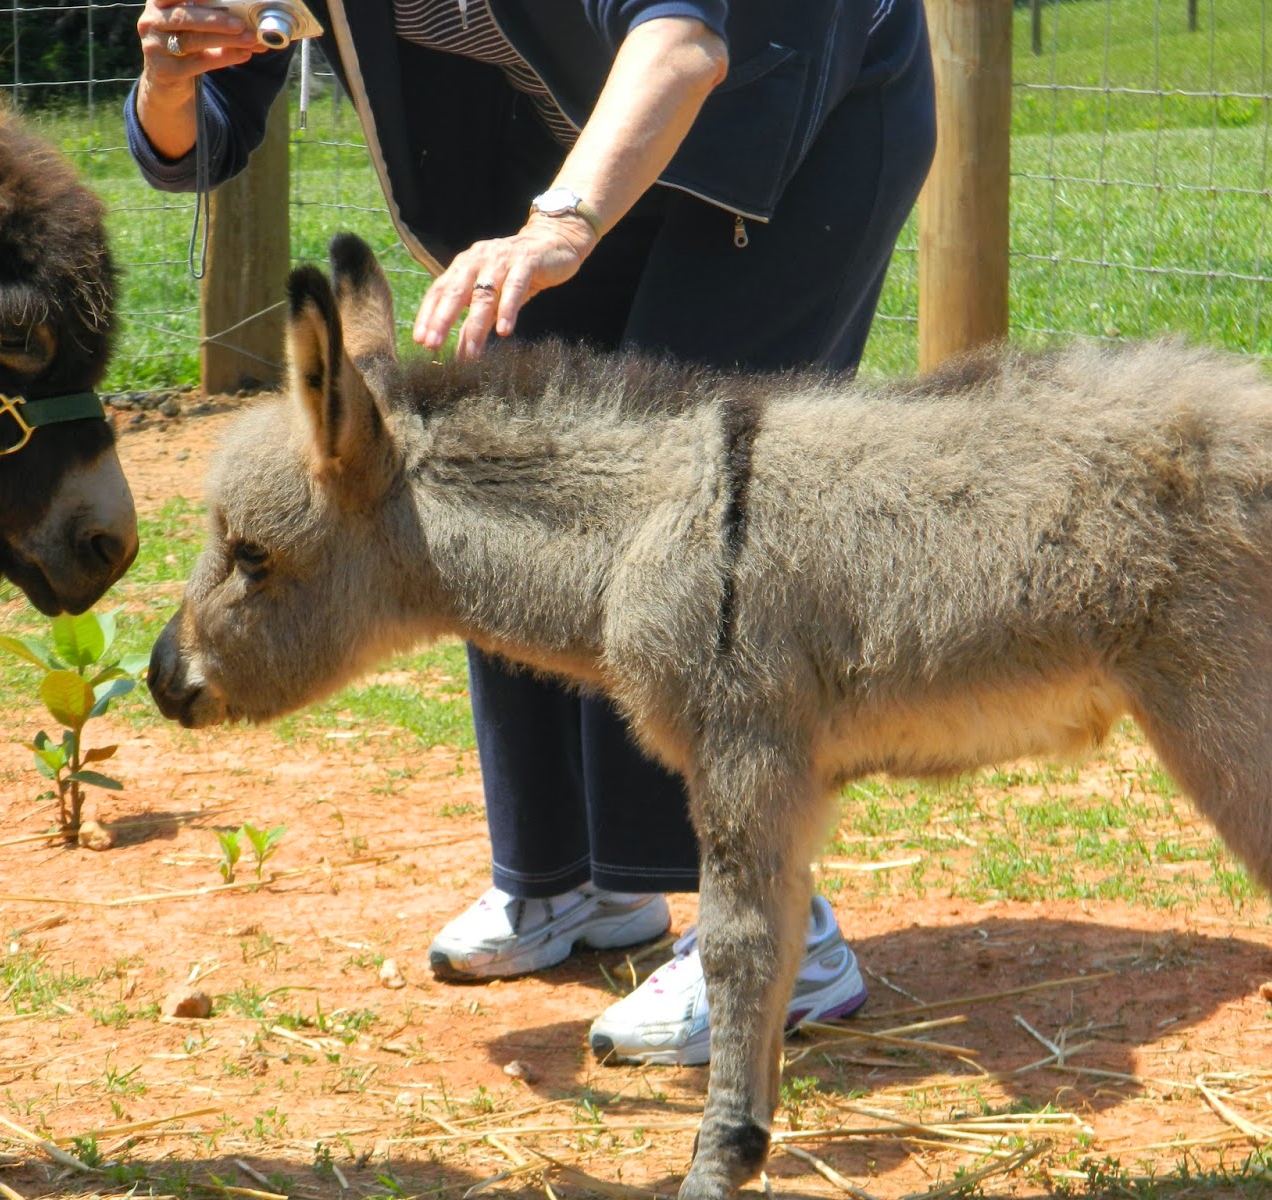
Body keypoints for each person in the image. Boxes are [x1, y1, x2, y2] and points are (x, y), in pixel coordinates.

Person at [127, 0, 935, 1067]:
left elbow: (684, 42)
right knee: (477, 471)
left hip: (784, 117)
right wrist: (172, 79)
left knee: (684, 503)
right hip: (575, 139)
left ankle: (774, 939)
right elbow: (196, 141)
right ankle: (573, 883)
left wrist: (560, 224)